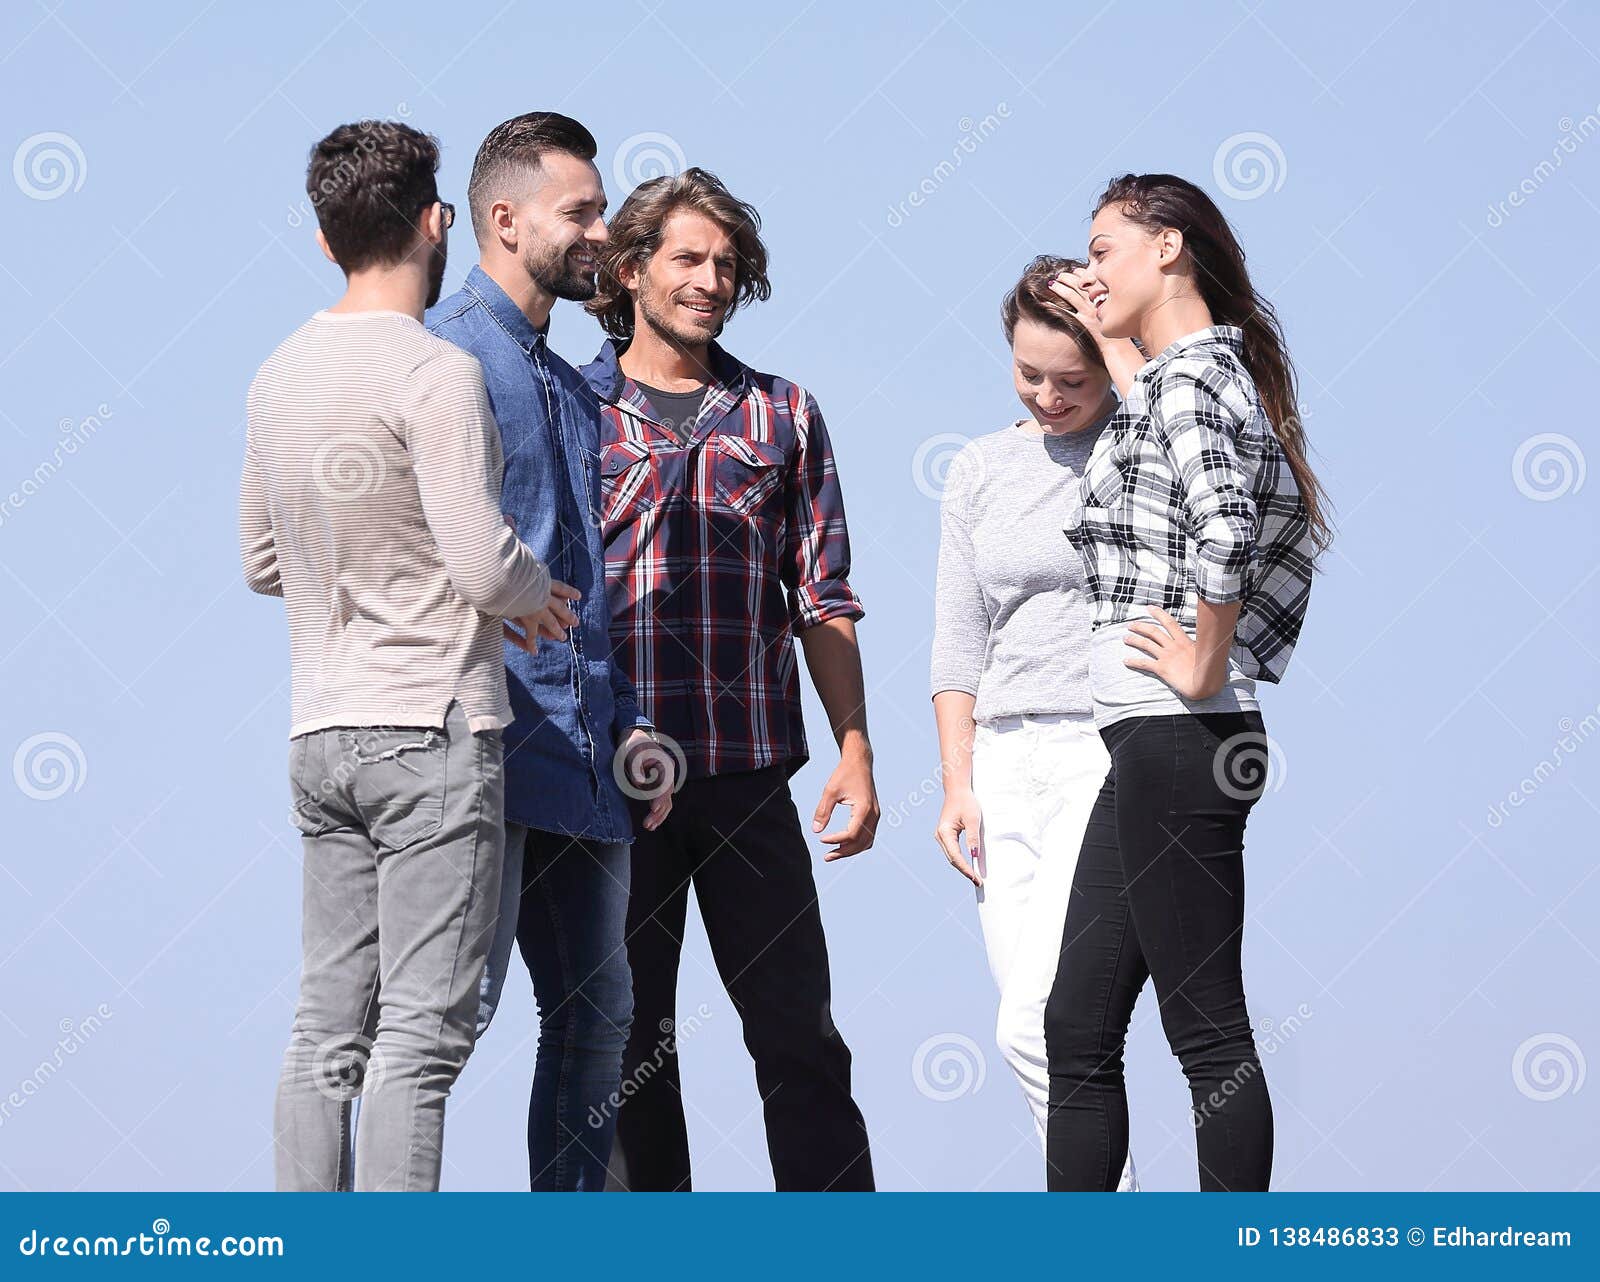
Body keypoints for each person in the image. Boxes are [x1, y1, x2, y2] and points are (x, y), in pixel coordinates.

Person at [241, 119, 555, 1191]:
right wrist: (538, 593)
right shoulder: (435, 370)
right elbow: (479, 563)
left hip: (320, 731)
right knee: (421, 1035)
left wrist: (355, 570)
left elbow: (257, 559)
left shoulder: (276, 375)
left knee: (326, 1025)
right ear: (436, 223)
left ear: (326, 241)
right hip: (429, 730)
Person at [580, 167, 877, 1192]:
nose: (710, 279)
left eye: (725, 264)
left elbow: (823, 597)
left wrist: (855, 749)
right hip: (611, 786)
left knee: (799, 1037)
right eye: (688, 259)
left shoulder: (781, 415)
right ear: (630, 270)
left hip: (750, 778)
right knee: (626, 1050)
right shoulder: (572, 410)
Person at [1043, 173, 1331, 1191]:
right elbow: (1164, 422)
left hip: (1181, 732)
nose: (1091, 268)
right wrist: (1116, 339)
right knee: (1074, 1024)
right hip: (1157, 743)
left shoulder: (1193, 380)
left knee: (1203, 1027)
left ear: (1167, 247)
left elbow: (1225, 525)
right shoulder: (1186, 375)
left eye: (1105, 247)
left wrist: (1206, 656)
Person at [427, 111, 669, 1191]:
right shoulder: (441, 355)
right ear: (503, 217)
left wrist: (627, 727)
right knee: (446, 1009)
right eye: (579, 211)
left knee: (598, 1011)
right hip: (483, 735)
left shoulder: (570, 383)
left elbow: (588, 581)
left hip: (581, 751)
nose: (599, 230)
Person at [930, 256, 1138, 1190]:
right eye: (1029, 374)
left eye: (1073, 378)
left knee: (1047, 1023)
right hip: (1004, 765)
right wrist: (956, 782)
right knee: (1028, 1027)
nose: (1050, 396)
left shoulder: (1143, 448)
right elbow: (957, 640)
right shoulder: (979, 469)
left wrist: (1123, 339)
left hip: (1106, 752)